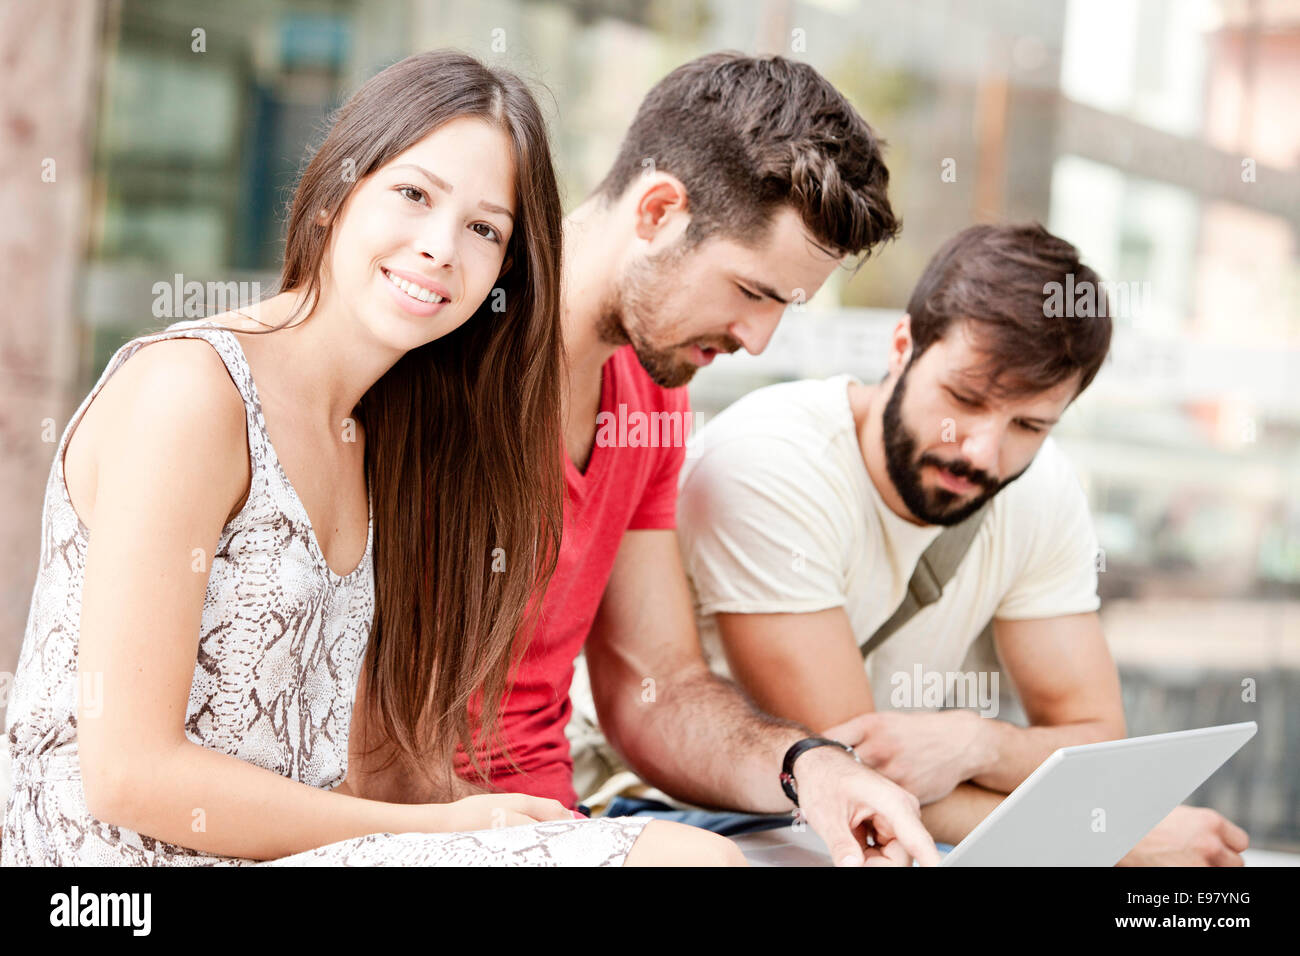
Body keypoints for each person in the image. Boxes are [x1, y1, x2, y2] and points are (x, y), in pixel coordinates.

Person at [0, 49, 739, 867]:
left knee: (680, 857)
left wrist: (503, 821)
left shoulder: (388, 438)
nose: (439, 248)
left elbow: (390, 770)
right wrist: (441, 832)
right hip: (106, 875)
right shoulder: (191, 392)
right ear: (333, 198)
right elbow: (128, 777)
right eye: (414, 194)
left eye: (485, 229)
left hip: (283, 856)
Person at [347, 52, 941, 868]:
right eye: (752, 292)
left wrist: (809, 769)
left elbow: (654, 691)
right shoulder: (435, 343)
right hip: (409, 832)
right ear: (659, 210)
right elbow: (349, 718)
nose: (756, 339)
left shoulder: (653, 397)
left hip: (560, 828)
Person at [587, 222, 1250, 865]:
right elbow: (854, 776)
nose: (983, 453)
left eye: (1029, 424)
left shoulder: (1040, 491)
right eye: (964, 399)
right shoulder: (773, 464)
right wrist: (1115, 836)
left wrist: (978, 744)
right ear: (901, 345)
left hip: (852, 821)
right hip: (673, 809)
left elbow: (1095, 736)